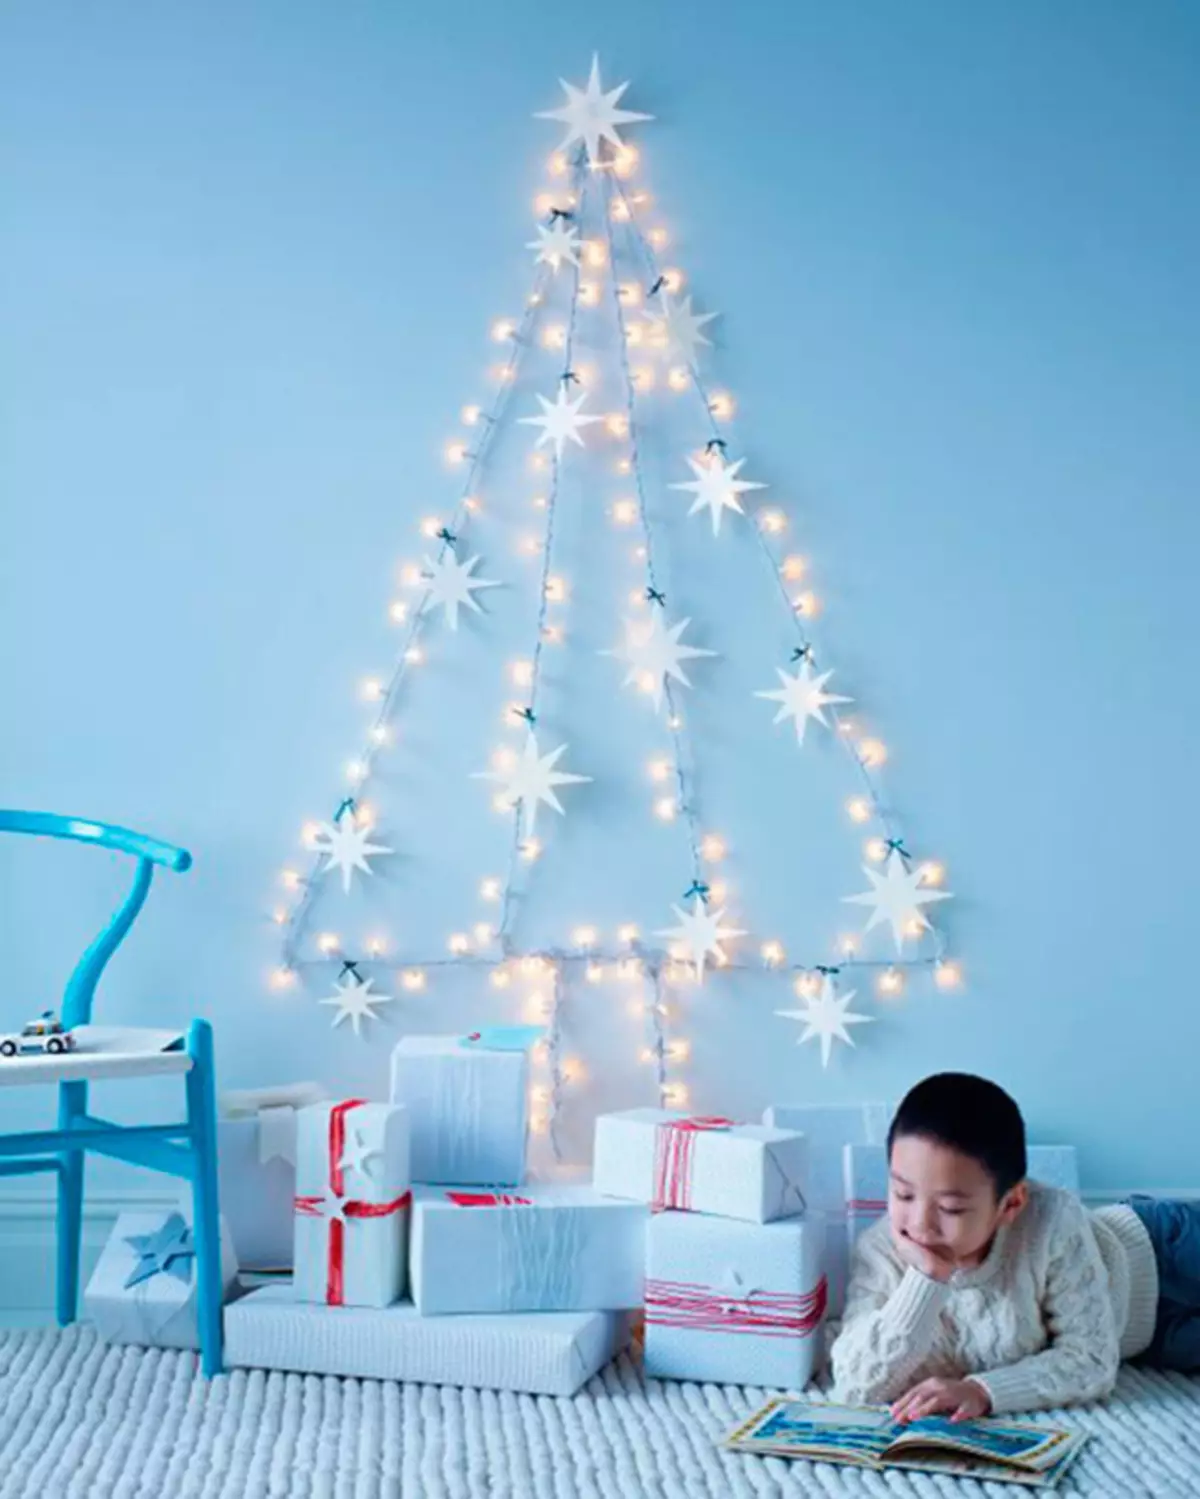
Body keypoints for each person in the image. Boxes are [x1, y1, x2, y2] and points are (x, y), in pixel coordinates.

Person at [829, 1071, 1200, 1420]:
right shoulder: (880, 1251)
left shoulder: (1052, 1218)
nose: (920, 1223)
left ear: (1011, 1204)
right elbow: (855, 1386)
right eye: (903, 1193)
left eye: (950, 1208)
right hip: (1151, 1342)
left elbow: (1089, 1359)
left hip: (1161, 1249)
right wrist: (926, 1279)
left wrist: (982, 1390)